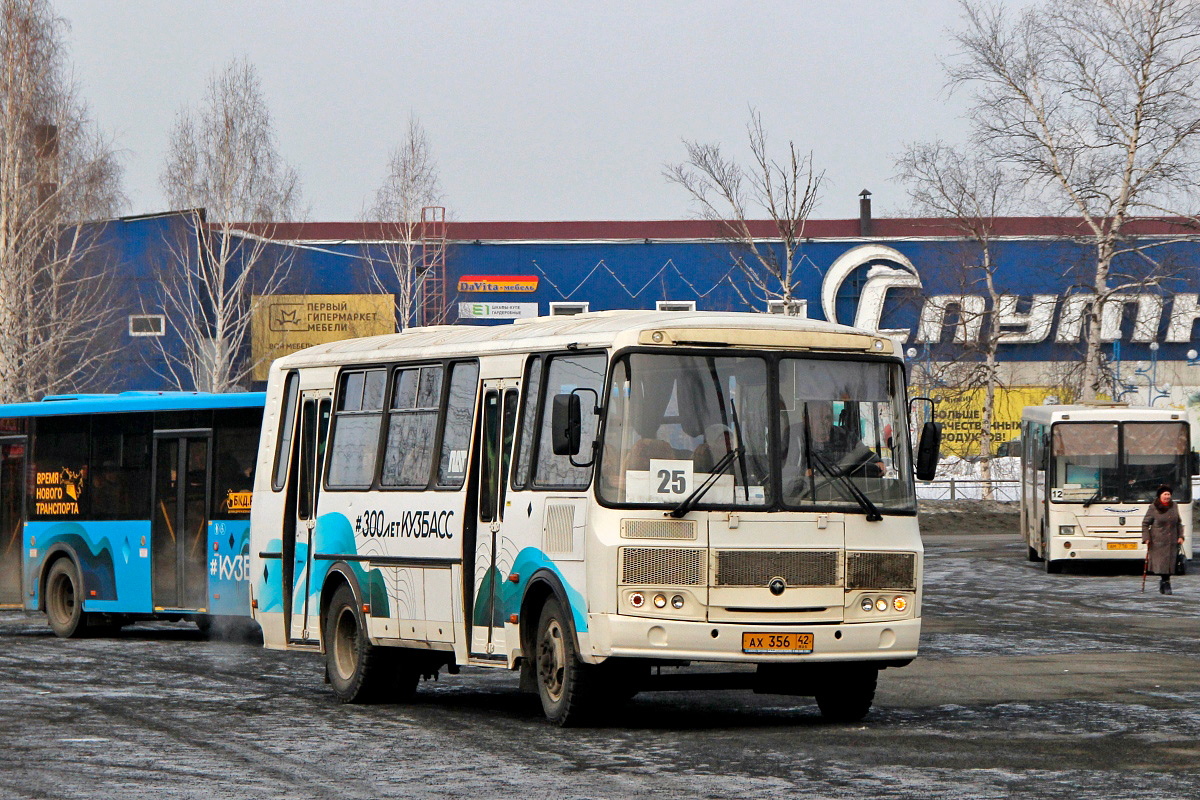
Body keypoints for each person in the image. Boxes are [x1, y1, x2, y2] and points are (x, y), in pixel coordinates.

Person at [1142, 484, 1184, 595]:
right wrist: (1146, 538)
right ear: (1160, 495)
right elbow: (1145, 524)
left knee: (1170, 564)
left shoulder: (1174, 505)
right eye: (1165, 494)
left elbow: (1179, 523)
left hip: (1172, 541)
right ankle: (1165, 582)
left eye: (1169, 494)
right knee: (1162, 564)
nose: (1167, 496)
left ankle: (1165, 581)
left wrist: (1181, 536)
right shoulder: (1153, 507)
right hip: (1158, 541)